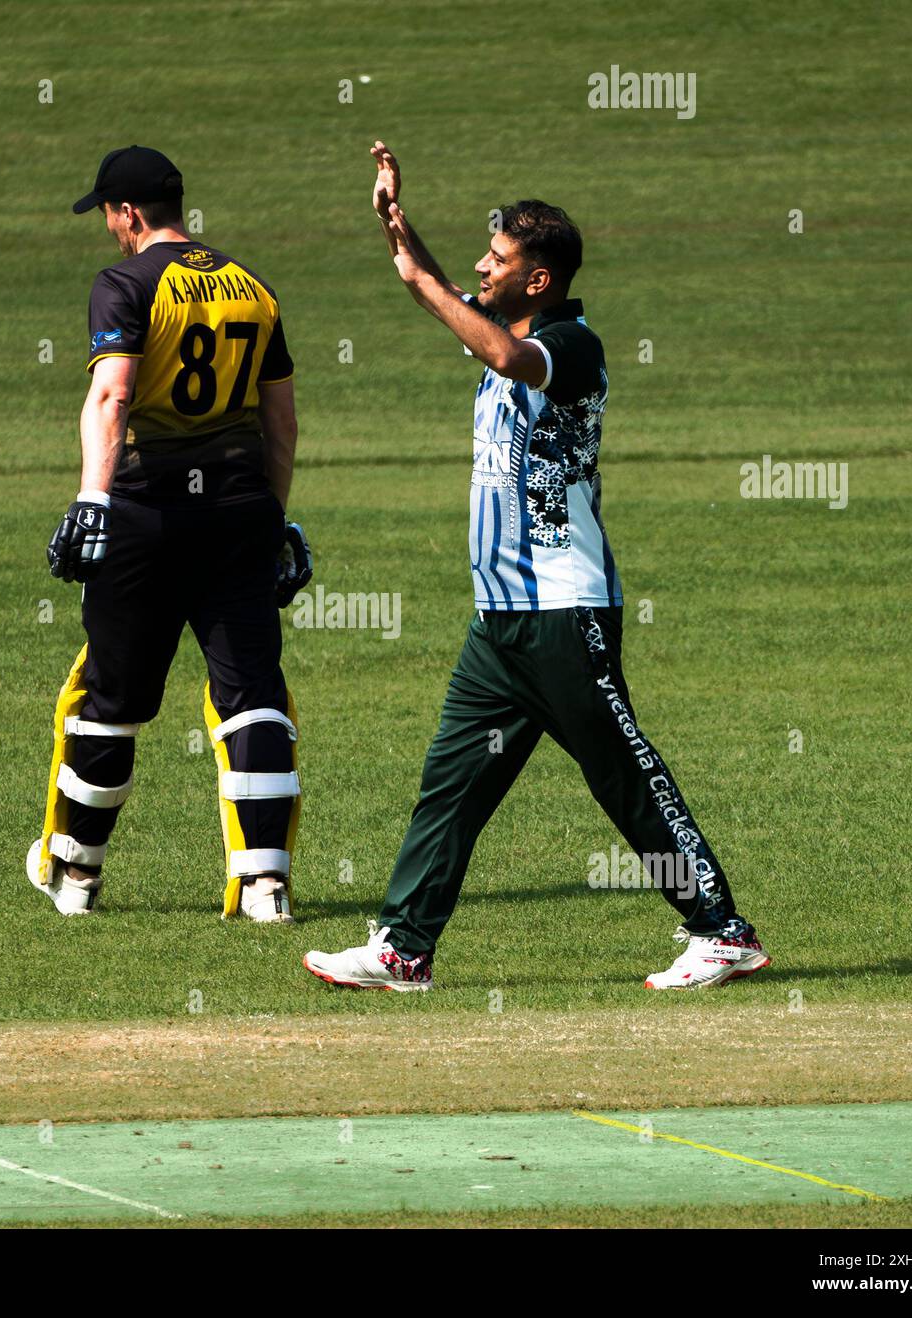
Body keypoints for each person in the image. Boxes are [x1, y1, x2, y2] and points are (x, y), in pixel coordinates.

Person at [303, 142, 769, 989]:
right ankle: (404, 949)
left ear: (540, 280)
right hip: (500, 622)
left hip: (564, 610)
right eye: (484, 254)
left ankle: (722, 930)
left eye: (500, 259)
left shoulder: (568, 347)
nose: (484, 267)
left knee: (622, 778)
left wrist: (427, 284)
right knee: (451, 786)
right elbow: (470, 322)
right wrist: (399, 235)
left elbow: (507, 356)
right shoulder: (502, 327)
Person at [28, 145, 311, 923]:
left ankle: (78, 877)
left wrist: (92, 501)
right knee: (251, 695)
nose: (109, 231)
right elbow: (280, 419)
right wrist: (275, 517)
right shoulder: (252, 286)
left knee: (111, 696)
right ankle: (265, 887)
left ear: (126, 213)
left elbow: (111, 397)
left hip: (146, 516)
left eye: (108, 216)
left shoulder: (124, 283)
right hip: (238, 511)